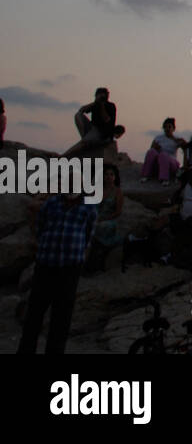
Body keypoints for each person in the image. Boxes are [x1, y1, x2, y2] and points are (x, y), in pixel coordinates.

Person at [19, 191, 97, 354]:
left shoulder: (89, 207)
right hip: (46, 263)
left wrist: (81, 254)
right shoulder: (52, 202)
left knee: (61, 316)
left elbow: (89, 233)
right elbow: (40, 225)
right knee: (34, 313)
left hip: (70, 267)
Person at [87, 164, 124, 273]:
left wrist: (104, 218)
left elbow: (118, 212)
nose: (108, 177)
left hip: (108, 220)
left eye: (111, 174)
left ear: (115, 177)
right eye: (106, 174)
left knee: (99, 228)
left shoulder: (118, 192)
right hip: (95, 218)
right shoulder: (97, 190)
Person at [67, 87, 117, 156]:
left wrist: (102, 105)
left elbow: (106, 120)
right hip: (93, 129)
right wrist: (95, 102)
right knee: (78, 115)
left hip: (103, 133)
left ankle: (63, 156)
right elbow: (81, 110)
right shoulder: (95, 105)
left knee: (84, 142)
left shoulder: (111, 105)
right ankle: (86, 139)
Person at [141, 118, 182, 184]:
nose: (167, 129)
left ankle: (165, 179)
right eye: (165, 127)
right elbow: (151, 150)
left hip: (171, 164)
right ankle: (145, 175)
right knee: (151, 151)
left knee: (163, 155)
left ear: (173, 128)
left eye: (169, 127)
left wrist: (174, 138)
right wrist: (156, 148)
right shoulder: (158, 138)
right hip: (159, 163)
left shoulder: (177, 138)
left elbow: (185, 148)